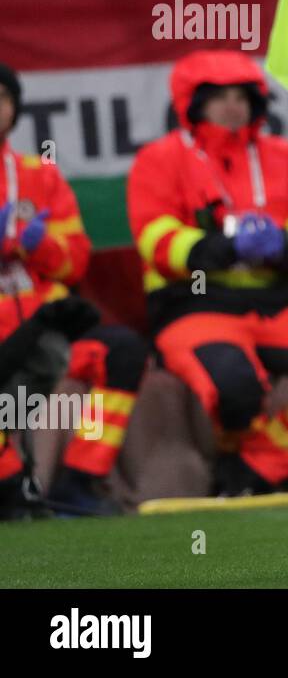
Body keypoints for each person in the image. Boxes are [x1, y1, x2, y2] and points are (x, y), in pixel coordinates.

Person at [126, 50, 288, 495]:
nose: (233, 106)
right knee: (236, 386)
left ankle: (254, 470)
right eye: (220, 98)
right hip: (195, 307)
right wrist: (221, 248)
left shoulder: (282, 155)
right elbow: (155, 240)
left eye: (242, 97)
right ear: (194, 104)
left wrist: (286, 245)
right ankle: (241, 467)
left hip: (275, 308)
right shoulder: (160, 159)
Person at [0, 62, 147, 519]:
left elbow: (75, 259)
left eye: (2, 97)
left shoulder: (40, 175)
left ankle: (82, 478)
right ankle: (13, 489)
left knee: (122, 350)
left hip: (45, 326)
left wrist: (36, 243)